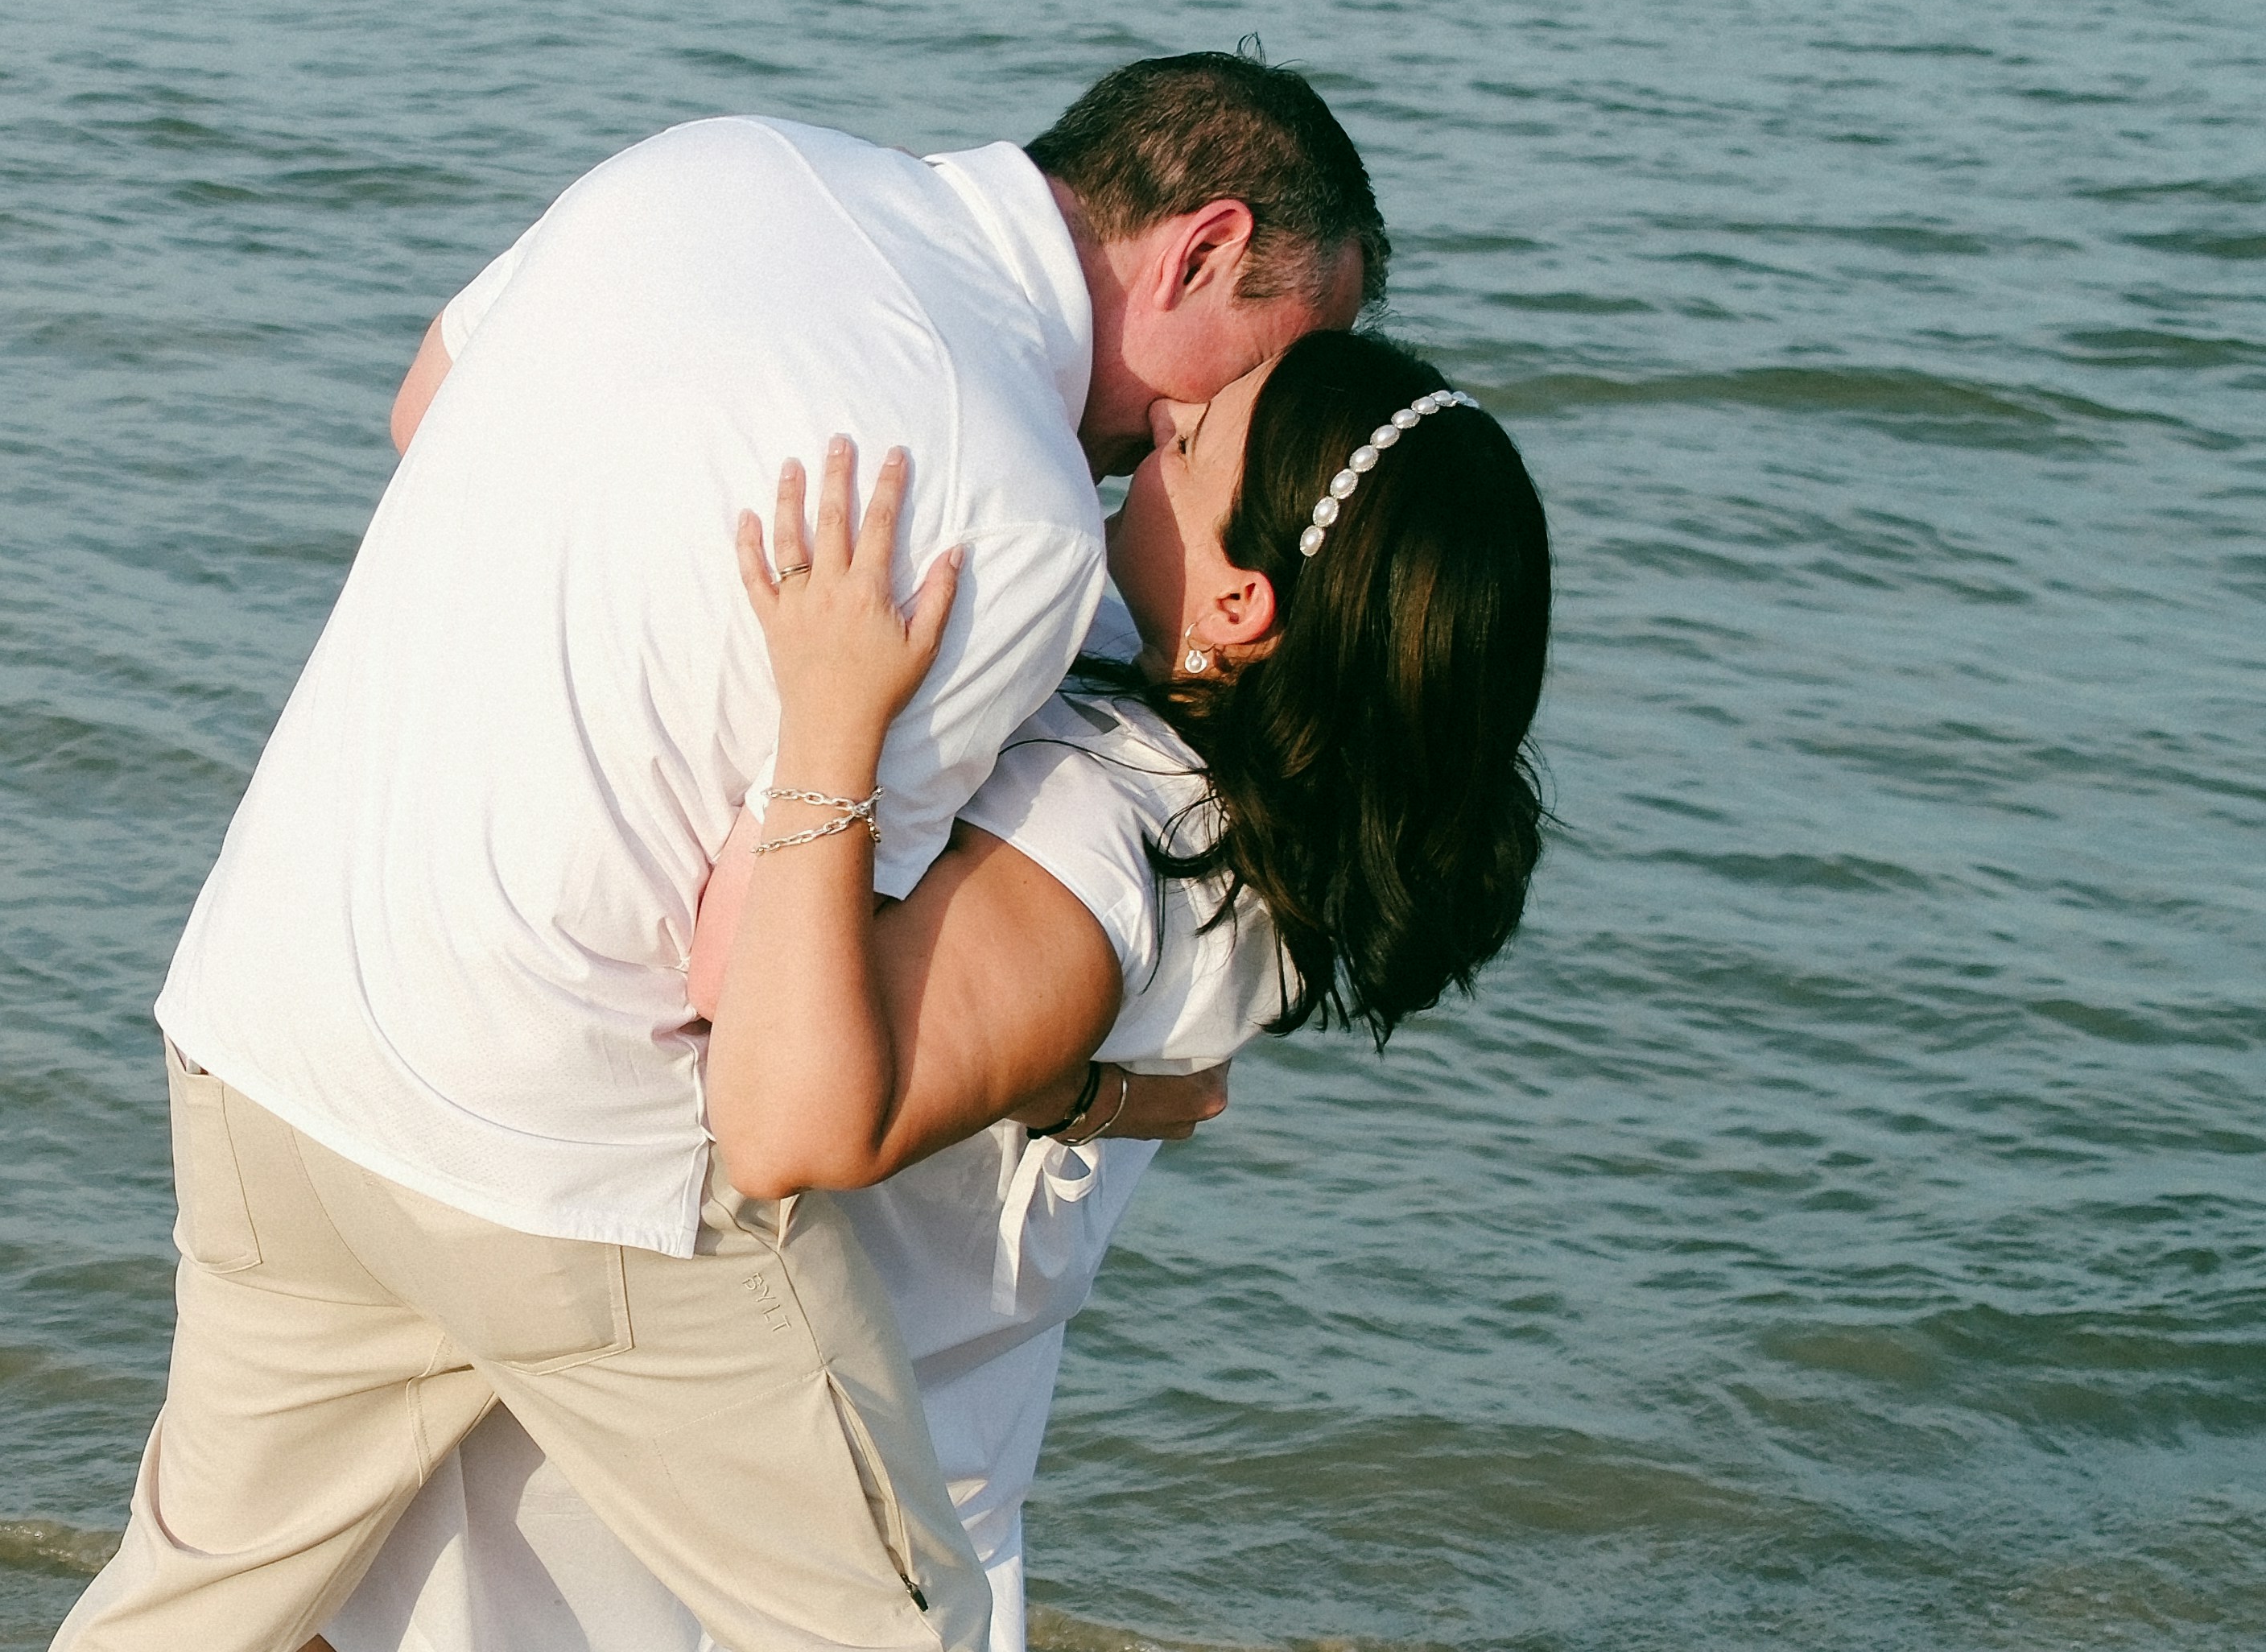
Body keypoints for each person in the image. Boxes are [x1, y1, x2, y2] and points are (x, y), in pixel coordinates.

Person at [59, 56, 1385, 1652]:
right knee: (903, 1619)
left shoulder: (716, 163)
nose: (1243, 416)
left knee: (194, 1604)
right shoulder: (1016, 512)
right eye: (1277, 358)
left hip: (268, 1012)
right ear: (1200, 248)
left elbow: (431, 411)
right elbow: (746, 994)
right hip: (555, 1142)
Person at [315, 329, 1553, 1652]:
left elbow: (795, 1127)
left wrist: (832, 719)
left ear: (1242, 608)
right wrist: (1092, 1093)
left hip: (752, 1494)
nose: (1165, 419)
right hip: (892, 1443)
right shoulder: (1241, 822)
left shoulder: (1095, 840)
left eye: (1189, 447)